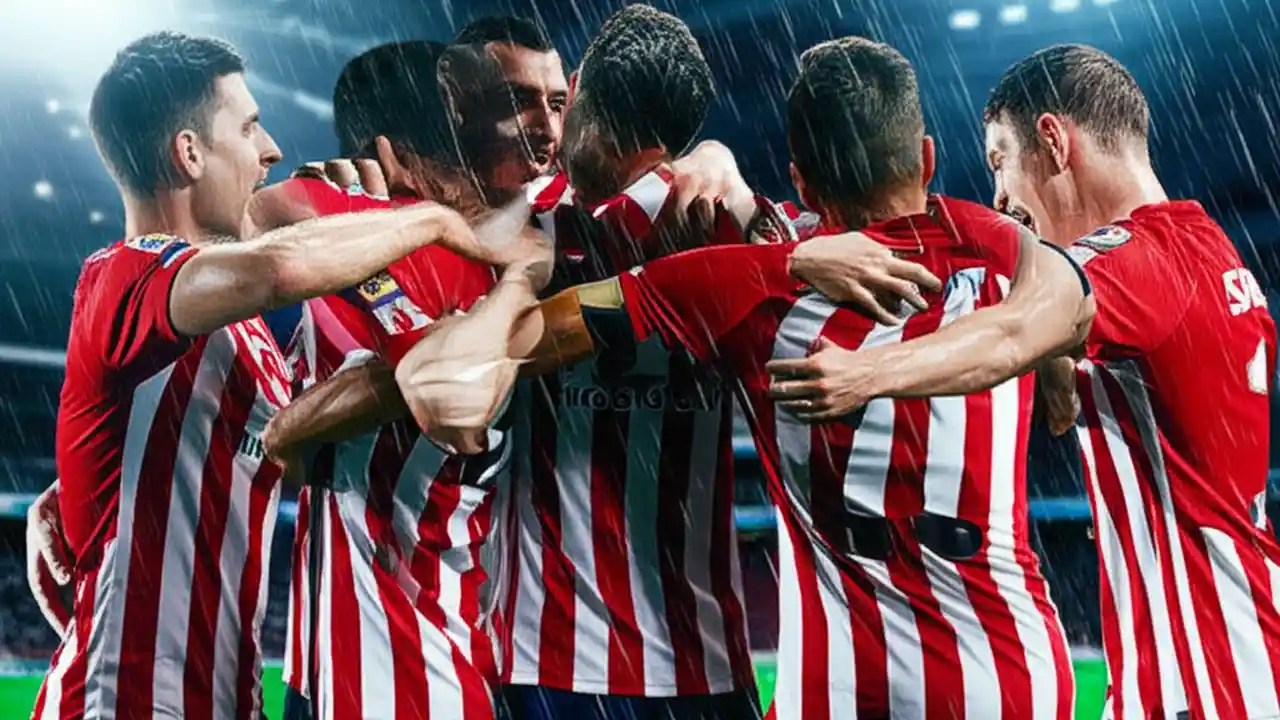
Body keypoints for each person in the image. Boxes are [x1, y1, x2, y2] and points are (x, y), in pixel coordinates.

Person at [400, 35, 1091, 720]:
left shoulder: (731, 280)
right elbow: (1062, 307)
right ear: (927, 157)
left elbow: (516, 343)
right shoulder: (1008, 263)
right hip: (1009, 673)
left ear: (801, 180)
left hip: (819, 687)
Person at [769, 44, 1280, 720]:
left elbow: (1015, 329)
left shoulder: (1142, 259)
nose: (1001, 199)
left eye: (1000, 162)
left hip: (1203, 683)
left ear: (1053, 141)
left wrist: (864, 373)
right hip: (1235, 653)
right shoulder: (1206, 251)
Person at [33, 31, 503, 720]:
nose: (271, 149)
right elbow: (274, 269)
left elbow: (271, 444)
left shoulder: (247, 336)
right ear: (189, 153)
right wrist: (428, 219)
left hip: (228, 699)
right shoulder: (119, 277)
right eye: (249, 127)